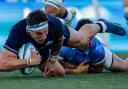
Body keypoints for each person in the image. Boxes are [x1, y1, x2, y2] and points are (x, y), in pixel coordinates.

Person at [0, 9, 126, 77]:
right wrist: (27, 62)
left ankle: (100, 25)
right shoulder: (17, 32)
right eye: (39, 33)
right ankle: (29, 64)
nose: (43, 36)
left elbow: (60, 40)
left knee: (83, 41)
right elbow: (2, 64)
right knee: (59, 73)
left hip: (54, 40)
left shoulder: (54, 25)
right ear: (28, 30)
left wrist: (53, 59)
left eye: (45, 32)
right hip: (37, 53)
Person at [59, 19, 128, 74]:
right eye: (89, 38)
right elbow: (53, 67)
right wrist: (75, 71)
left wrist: (71, 67)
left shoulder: (97, 49)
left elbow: (98, 70)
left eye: (92, 38)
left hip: (94, 57)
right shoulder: (64, 46)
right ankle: (101, 25)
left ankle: (101, 25)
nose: (91, 42)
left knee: (126, 67)